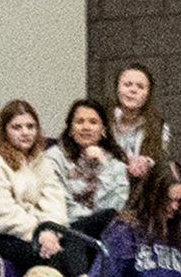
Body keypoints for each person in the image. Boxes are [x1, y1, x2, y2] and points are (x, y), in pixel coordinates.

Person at [0, 99, 94, 277]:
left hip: (34, 231)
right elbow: (1, 213)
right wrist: (39, 234)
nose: (25, 132)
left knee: (76, 240)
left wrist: (50, 231)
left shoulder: (42, 162)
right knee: (44, 256)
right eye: (17, 127)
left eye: (31, 126)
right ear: (5, 131)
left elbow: (54, 203)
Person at [43, 98, 128, 238]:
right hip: (66, 229)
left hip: (104, 232)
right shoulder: (54, 158)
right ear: (70, 129)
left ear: (103, 130)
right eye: (79, 122)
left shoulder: (115, 165)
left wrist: (103, 166)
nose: (86, 127)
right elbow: (59, 203)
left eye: (93, 122)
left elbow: (114, 208)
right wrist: (90, 218)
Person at [109, 64, 168, 181]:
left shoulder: (159, 127)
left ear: (148, 94)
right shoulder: (102, 121)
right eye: (127, 85)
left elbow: (161, 167)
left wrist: (148, 162)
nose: (133, 90)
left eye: (140, 87)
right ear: (117, 89)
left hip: (143, 192)